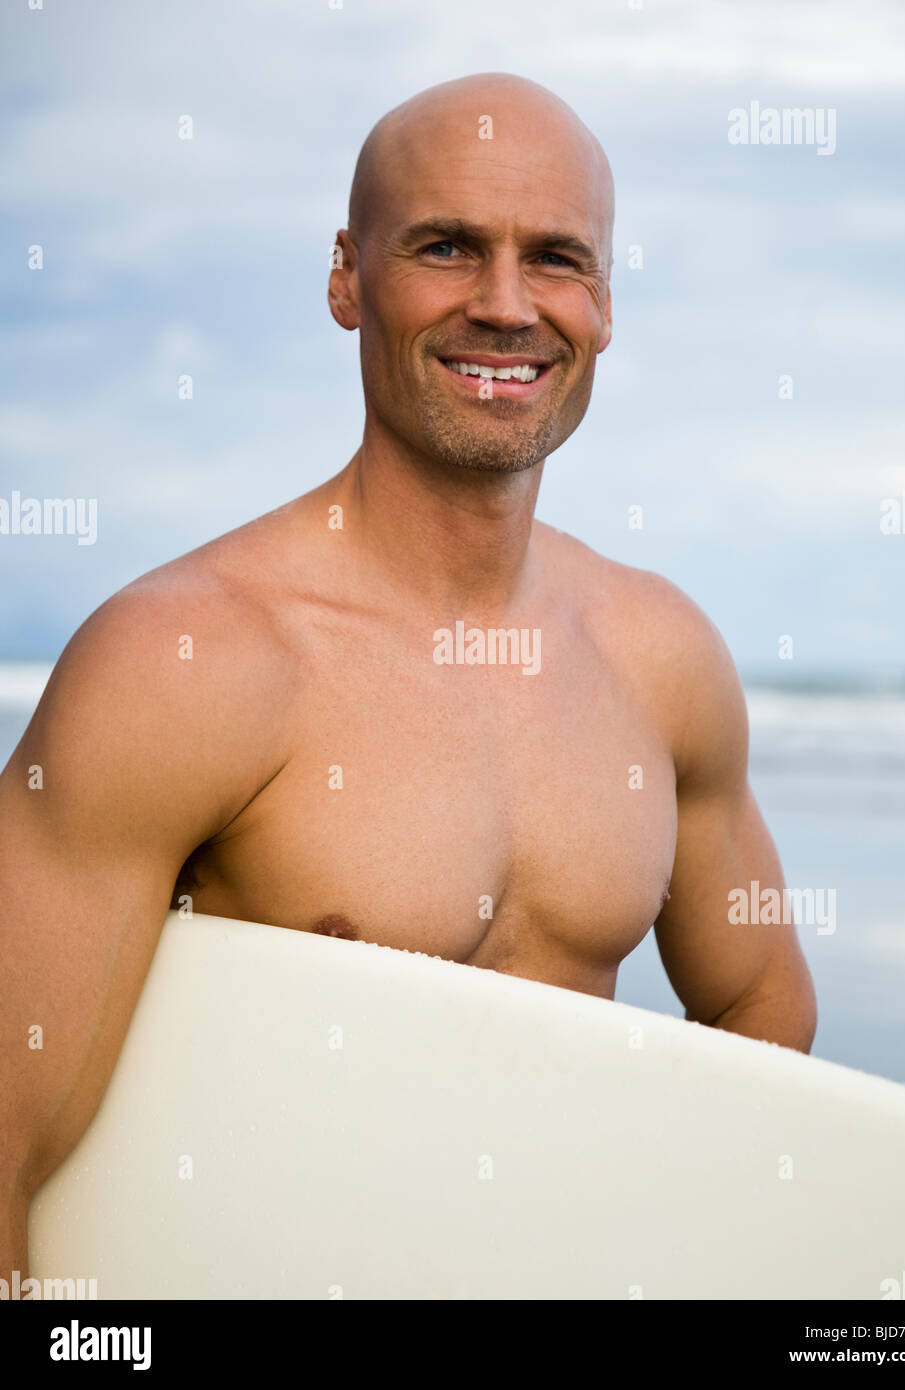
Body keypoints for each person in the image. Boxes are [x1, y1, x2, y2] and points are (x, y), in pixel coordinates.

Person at [0, 72, 815, 1281]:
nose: (504, 306)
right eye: (445, 247)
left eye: (554, 259)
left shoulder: (660, 658)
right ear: (346, 276)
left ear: (603, 302)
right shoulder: (182, 665)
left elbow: (763, 1015)